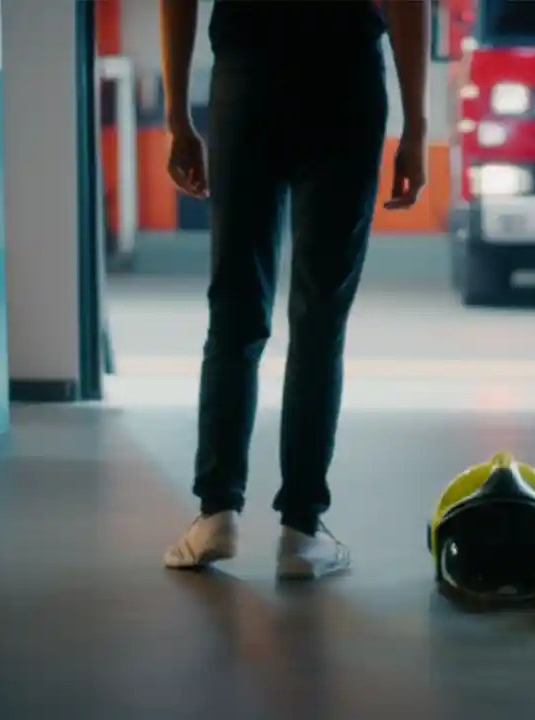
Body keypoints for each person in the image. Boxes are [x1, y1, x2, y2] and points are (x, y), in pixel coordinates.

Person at [159, 0, 428, 579]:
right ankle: (301, 532)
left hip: (246, 82)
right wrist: (417, 125)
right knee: (319, 315)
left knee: (235, 308)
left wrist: (178, 116)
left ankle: (216, 513)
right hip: (345, 81)